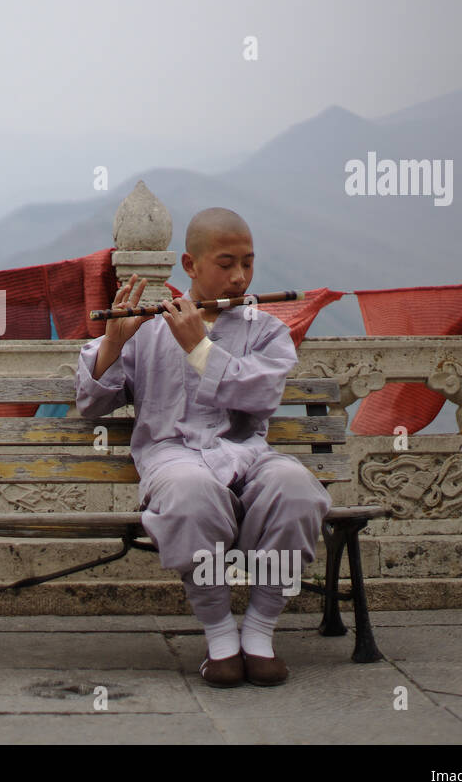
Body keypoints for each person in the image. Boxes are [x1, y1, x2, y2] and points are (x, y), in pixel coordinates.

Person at [73, 208, 330, 688]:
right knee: (190, 494)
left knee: (296, 488)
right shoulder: (149, 325)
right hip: (173, 458)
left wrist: (200, 349)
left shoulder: (265, 328)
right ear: (190, 265)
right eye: (225, 263)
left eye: (248, 264)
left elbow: (261, 394)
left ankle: (259, 629)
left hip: (249, 455)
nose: (239, 277)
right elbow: (91, 404)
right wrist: (111, 345)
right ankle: (218, 636)